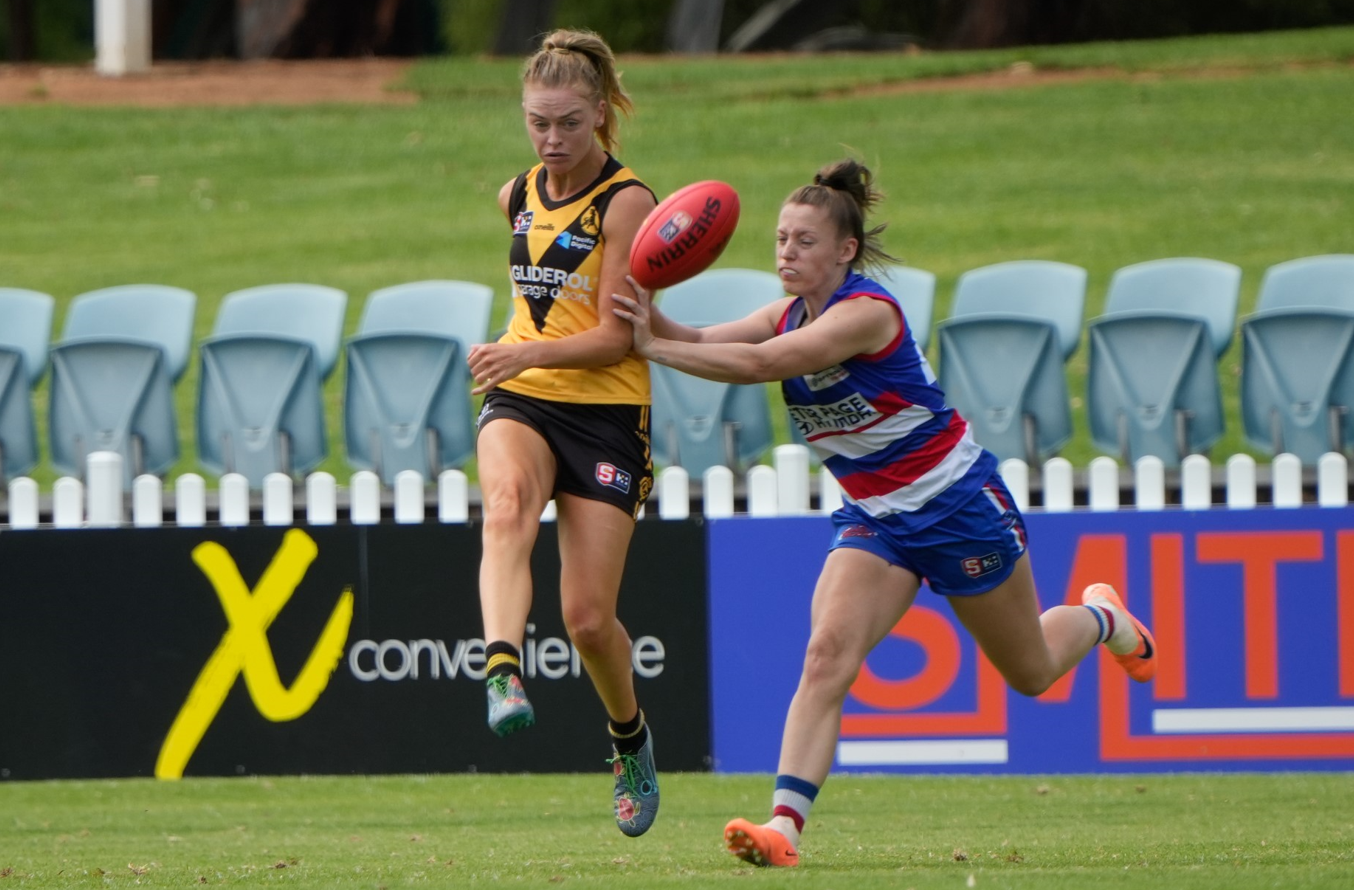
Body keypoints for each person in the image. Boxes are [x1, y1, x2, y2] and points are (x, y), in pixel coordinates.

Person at [612, 158, 1158, 866]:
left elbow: (759, 365)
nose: (786, 252)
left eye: (805, 241)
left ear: (845, 250)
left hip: (956, 505)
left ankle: (1103, 618)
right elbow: (712, 339)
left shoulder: (866, 315)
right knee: (825, 654)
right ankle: (784, 828)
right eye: (780, 239)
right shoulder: (785, 311)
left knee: (1030, 672)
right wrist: (640, 305)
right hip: (876, 517)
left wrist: (653, 347)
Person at [466, 28, 660, 838]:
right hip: (526, 396)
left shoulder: (628, 202)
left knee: (587, 620)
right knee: (506, 505)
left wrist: (524, 351)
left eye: (569, 123)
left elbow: (617, 339)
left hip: (608, 410)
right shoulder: (516, 194)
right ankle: (502, 670)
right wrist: (520, 365)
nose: (552, 141)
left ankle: (630, 739)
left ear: (602, 116)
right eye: (539, 122)